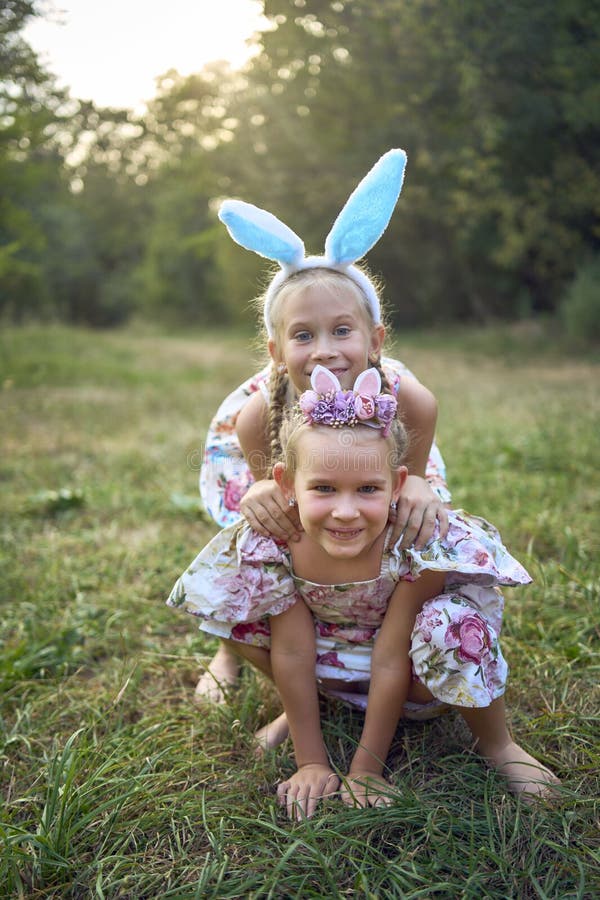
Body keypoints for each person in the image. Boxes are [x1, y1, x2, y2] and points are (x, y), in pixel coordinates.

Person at [168, 365, 559, 819]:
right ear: (285, 484)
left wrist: (367, 768)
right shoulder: (280, 544)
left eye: (368, 489)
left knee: (449, 624)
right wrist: (311, 762)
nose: (346, 512)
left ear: (396, 484)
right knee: (239, 604)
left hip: (413, 679)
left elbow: (392, 656)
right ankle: (313, 710)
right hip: (331, 662)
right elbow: (293, 652)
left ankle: (498, 744)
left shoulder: (416, 541)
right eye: (324, 489)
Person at [196, 149, 452, 703]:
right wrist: (264, 488)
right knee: (262, 550)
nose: (325, 352)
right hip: (302, 499)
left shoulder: (409, 400)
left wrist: (418, 485)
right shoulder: (258, 414)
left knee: (387, 528)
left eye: (342, 331)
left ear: (376, 340)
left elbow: (413, 479)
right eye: (304, 336)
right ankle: (245, 655)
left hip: (366, 484)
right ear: (276, 348)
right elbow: (282, 501)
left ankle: (368, 646)